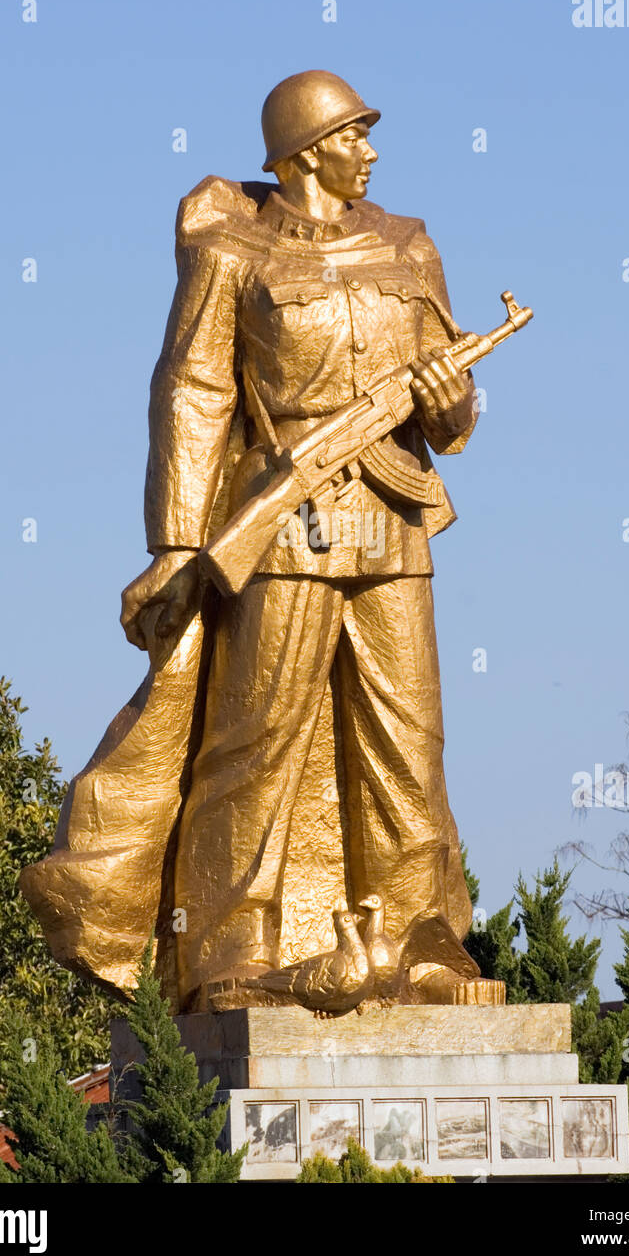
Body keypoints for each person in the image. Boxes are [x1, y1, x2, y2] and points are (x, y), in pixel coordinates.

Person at [118, 70, 479, 1009]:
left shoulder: (410, 247)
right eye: (355, 134)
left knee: (410, 740)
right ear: (309, 147)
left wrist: (453, 406)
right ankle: (226, 960)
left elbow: (451, 409)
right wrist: (175, 543)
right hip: (281, 525)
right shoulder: (231, 249)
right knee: (253, 739)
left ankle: (423, 948)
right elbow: (194, 392)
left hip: (394, 523)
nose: (370, 150)